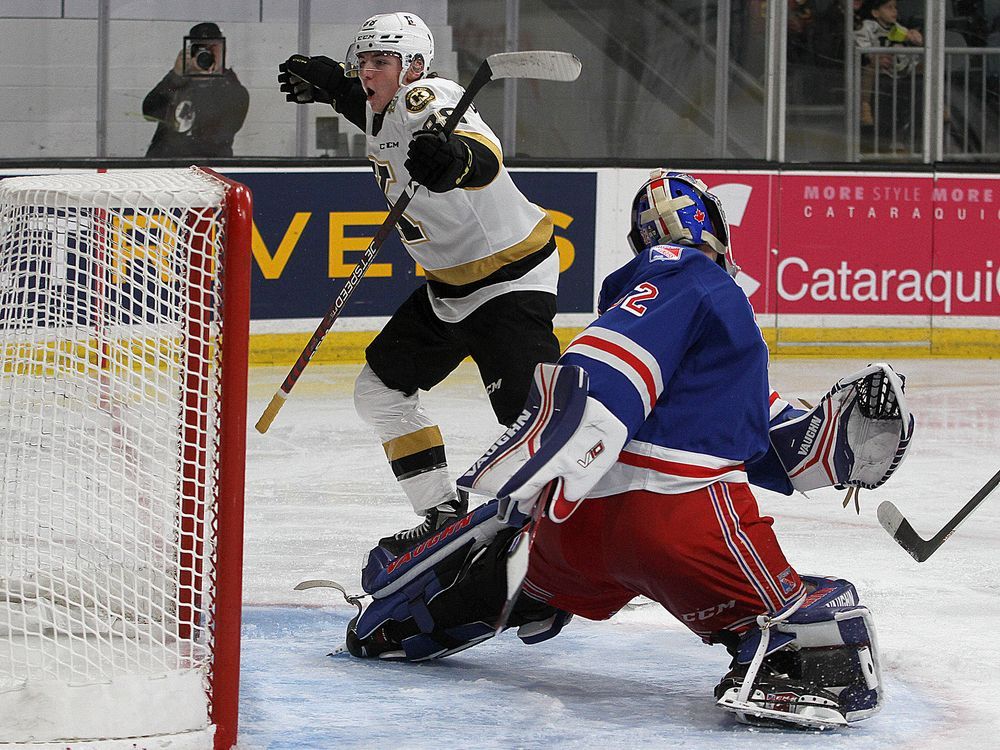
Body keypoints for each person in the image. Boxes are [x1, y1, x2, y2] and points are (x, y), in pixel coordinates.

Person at [339, 171, 915, 729]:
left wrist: (849, 435)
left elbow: (775, 443)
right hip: (679, 522)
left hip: (577, 532)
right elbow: (607, 366)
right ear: (712, 230)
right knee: (821, 623)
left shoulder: (701, 346)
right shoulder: (691, 274)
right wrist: (567, 422)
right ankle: (777, 662)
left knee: (524, 576)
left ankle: (424, 616)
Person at [276, 12, 561, 555]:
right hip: (450, 290)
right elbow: (364, 106)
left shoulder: (428, 96)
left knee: (536, 427)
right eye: (361, 62)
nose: (366, 73)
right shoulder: (383, 106)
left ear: (413, 67)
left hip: (508, 283)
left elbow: (482, 154)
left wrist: (455, 160)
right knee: (380, 394)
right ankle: (441, 514)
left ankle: (589, 534)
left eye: (380, 62)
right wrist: (329, 82)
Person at [142, 22, 249, 158]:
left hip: (208, 170)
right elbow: (148, 112)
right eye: (200, 48)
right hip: (165, 168)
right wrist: (175, 76)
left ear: (224, 50)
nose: (206, 53)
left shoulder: (233, 90)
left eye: (212, 47)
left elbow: (217, 135)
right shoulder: (177, 82)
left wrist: (203, 82)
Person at [854, 0, 923, 146]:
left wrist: (915, 39)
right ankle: (864, 106)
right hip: (879, 70)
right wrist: (873, 57)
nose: (894, 11)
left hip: (898, 69)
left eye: (895, 8)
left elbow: (911, 45)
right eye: (889, 8)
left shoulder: (899, 28)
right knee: (869, 70)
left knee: (923, 69)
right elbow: (860, 44)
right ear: (875, 13)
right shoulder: (868, 27)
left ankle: (940, 104)